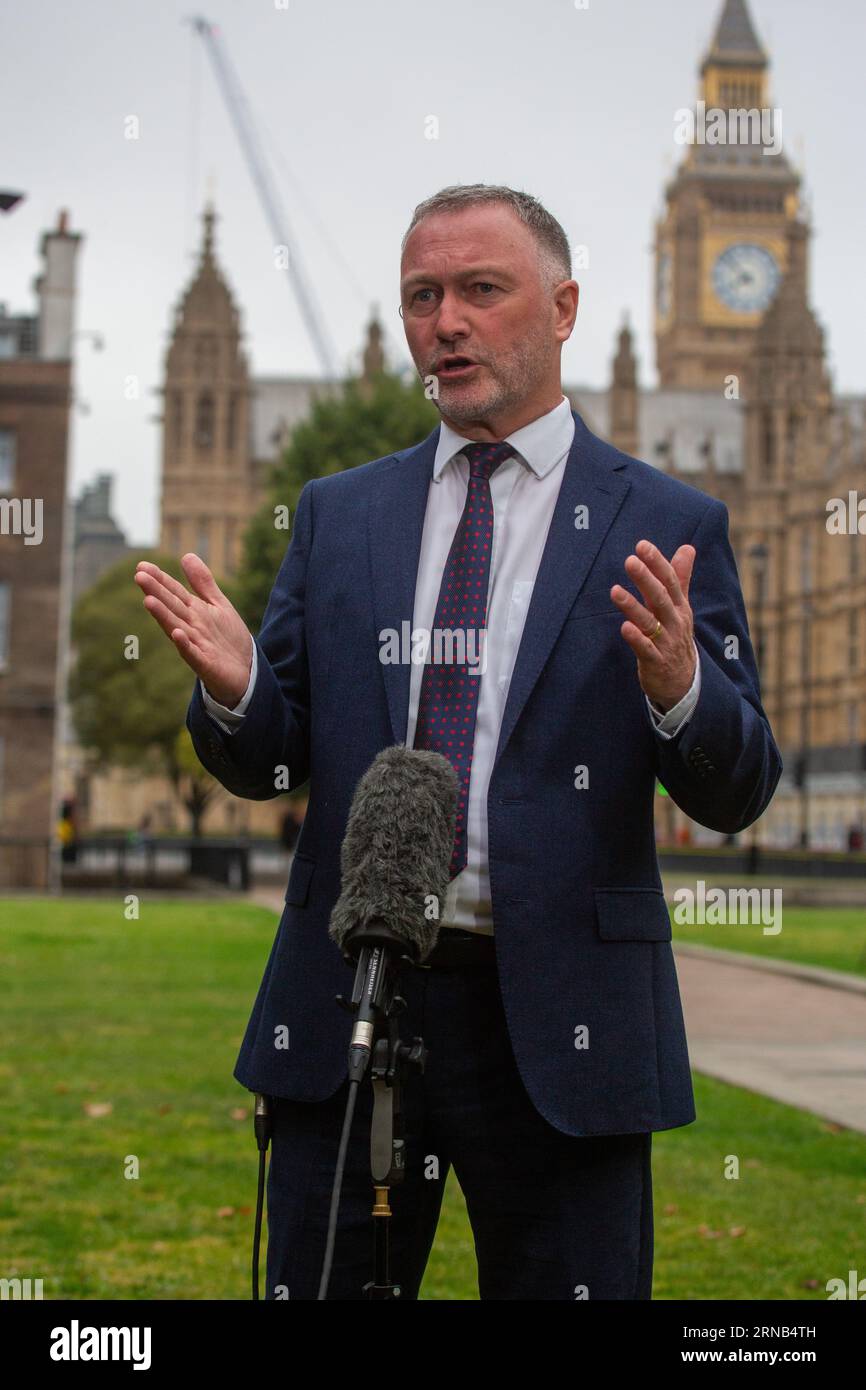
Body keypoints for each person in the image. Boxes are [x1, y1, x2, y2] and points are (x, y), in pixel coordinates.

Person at [134, 183, 782, 1300]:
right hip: (350, 1000)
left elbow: (736, 789)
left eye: (481, 290)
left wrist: (682, 691)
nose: (447, 321)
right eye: (422, 296)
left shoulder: (666, 523)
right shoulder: (340, 515)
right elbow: (270, 761)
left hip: (563, 1020)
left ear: (564, 306)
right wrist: (240, 694)